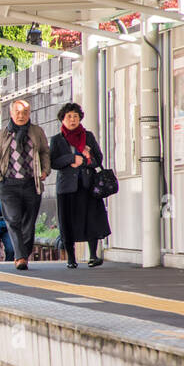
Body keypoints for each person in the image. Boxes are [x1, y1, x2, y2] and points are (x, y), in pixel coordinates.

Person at [0, 98, 50, 270]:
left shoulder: (36, 132)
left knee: (29, 222)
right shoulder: (1, 135)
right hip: (8, 184)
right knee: (13, 219)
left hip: (31, 183)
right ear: (11, 113)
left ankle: (24, 254)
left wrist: (45, 170)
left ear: (29, 113)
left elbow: (45, 151)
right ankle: (20, 256)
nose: (21, 116)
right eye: (18, 112)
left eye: (25, 112)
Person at [49, 102, 110, 268]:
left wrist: (84, 161)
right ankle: (71, 258)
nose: (72, 119)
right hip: (66, 187)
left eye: (75, 116)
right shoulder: (56, 140)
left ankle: (93, 255)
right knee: (67, 222)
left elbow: (98, 159)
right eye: (69, 116)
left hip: (87, 184)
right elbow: (53, 162)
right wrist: (71, 159)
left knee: (91, 219)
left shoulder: (88, 136)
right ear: (62, 119)